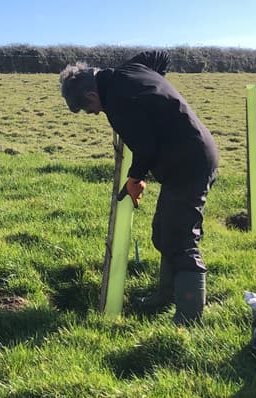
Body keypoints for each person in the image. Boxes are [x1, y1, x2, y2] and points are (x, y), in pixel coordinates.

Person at [59, 50, 219, 324]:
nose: (94, 113)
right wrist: (154, 94)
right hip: (187, 157)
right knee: (162, 232)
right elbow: (160, 56)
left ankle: (189, 318)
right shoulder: (131, 70)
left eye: (88, 109)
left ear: (90, 95)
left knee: (180, 237)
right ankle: (166, 296)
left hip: (190, 164)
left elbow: (144, 147)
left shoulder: (118, 103)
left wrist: (134, 180)